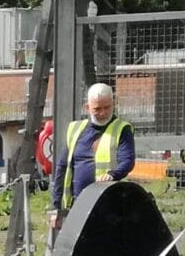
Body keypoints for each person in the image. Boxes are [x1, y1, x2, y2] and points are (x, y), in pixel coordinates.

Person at [48, 83, 136, 232]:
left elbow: (127, 160)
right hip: (77, 205)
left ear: (113, 104)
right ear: (87, 108)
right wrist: (56, 208)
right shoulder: (75, 130)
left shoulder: (122, 129)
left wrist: (112, 175)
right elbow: (62, 168)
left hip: (108, 204)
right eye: (97, 109)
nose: (103, 113)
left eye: (107, 107)